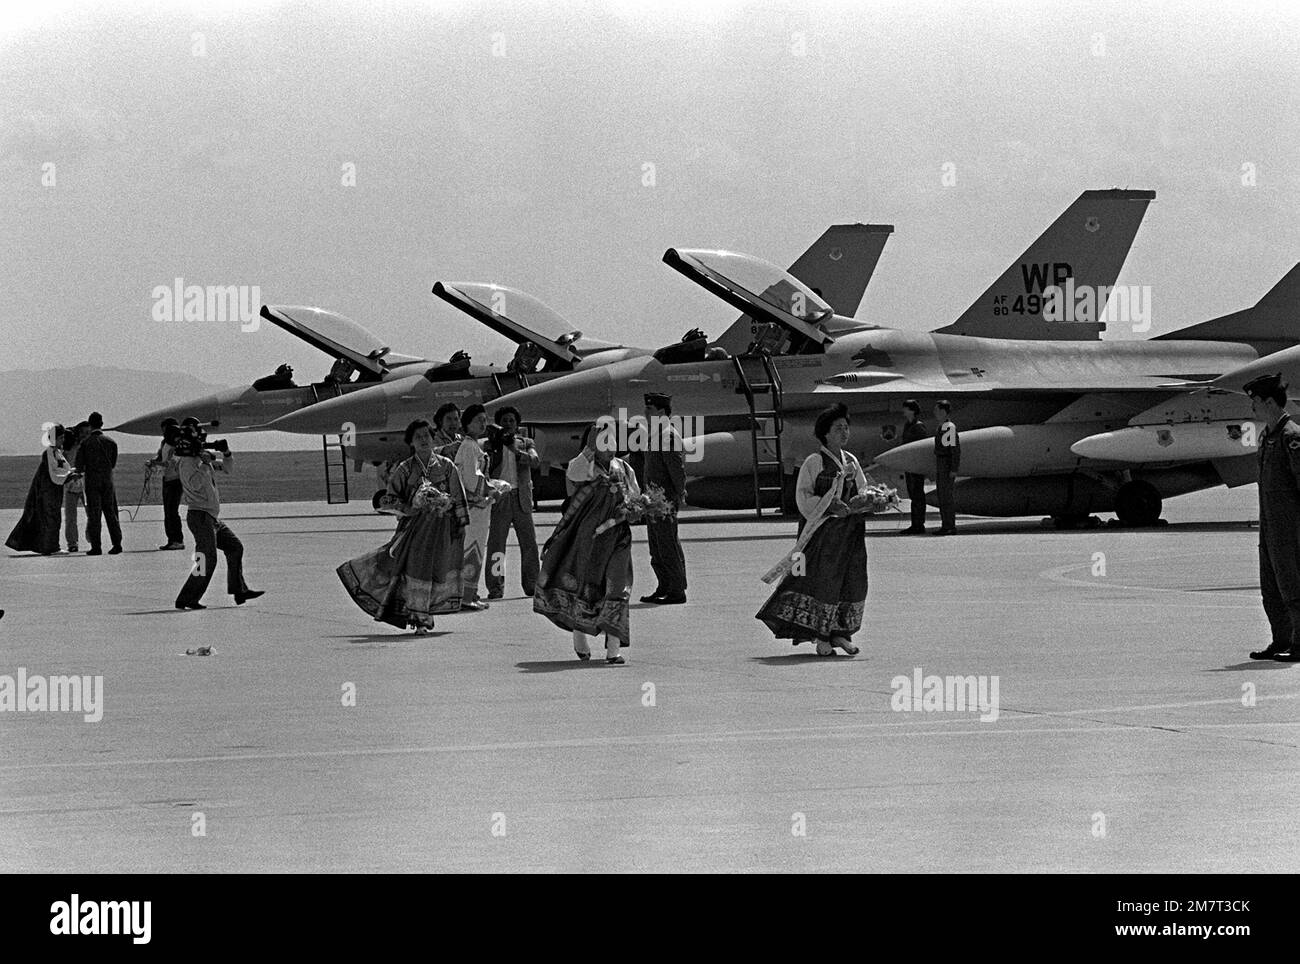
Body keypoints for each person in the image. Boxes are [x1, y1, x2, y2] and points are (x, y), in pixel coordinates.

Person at [756, 403, 870, 656]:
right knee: (821, 580)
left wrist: (867, 500)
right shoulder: (814, 462)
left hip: (850, 533)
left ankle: (841, 633)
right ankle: (821, 636)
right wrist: (829, 505)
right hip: (822, 534)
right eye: (838, 428)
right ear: (825, 433)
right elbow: (803, 496)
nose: (844, 432)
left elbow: (862, 488)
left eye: (846, 427)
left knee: (853, 580)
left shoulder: (850, 460)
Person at [337, 418, 469, 633]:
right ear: (411, 443)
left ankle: (426, 612)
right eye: (418, 437)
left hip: (442, 530)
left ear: (433, 438)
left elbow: (458, 496)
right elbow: (389, 499)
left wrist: (460, 523)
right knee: (417, 570)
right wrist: (411, 507)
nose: (424, 440)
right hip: (415, 531)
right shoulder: (405, 469)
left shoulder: (447, 466)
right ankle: (420, 618)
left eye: (427, 435)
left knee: (438, 570)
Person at [534, 419, 641, 664]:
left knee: (618, 589)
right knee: (587, 588)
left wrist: (637, 510)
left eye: (612, 438)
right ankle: (579, 635)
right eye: (603, 440)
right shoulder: (585, 467)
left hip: (618, 539)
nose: (609, 444)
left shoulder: (624, 468)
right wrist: (588, 450)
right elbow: (573, 472)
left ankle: (613, 650)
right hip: (588, 540)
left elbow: (635, 496)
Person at [173, 426, 263, 610]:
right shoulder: (186, 463)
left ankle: (239, 590)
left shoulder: (200, 460)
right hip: (199, 516)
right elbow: (196, 484)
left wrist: (226, 453)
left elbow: (228, 468)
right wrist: (204, 463)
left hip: (211, 518)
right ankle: (187, 598)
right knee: (205, 559)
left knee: (235, 547)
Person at [1244, 373, 1300, 661]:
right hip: (1269, 526)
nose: (1252, 407)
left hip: (1290, 528)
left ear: (1268, 401)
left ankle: (1299, 642)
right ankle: (1281, 640)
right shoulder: (1268, 436)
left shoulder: (1291, 437)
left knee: (1293, 585)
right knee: (1272, 586)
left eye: (1255, 401)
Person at [485, 406, 540, 600]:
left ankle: (532, 583)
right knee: (497, 545)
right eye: (504, 420)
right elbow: (487, 466)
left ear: (517, 424)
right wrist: (497, 445)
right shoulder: (490, 445)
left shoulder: (525, 442)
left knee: (529, 543)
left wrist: (515, 450)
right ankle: (495, 586)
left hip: (521, 496)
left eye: (511, 421)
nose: (507, 424)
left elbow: (534, 461)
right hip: (501, 497)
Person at [445, 404, 496, 611]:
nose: (483, 424)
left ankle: (471, 593)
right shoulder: (468, 447)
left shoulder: (474, 446)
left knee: (476, 547)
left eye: (485, 420)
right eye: (478, 420)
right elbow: (471, 479)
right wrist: (491, 490)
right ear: (467, 424)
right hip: (474, 508)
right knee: (472, 548)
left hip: (480, 507)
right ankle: (465, 596)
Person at [640, 392, 688, 604]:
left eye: (649, 410)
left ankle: (676, 590)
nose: (645, 413)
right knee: (657, 545)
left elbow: (676, 469)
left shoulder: (667, 435)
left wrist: (679, 493)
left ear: (661, 412)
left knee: (667, 544)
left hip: (664, 499)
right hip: (654, 499)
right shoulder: (657, 433)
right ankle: (664, 585)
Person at [6, 424, 77, 555]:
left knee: (54, 517)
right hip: (47, 492)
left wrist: (71, 473)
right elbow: (53, 473)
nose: (63, 441)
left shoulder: (57, 453)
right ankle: (51, 547)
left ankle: (50, 545)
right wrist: (69, 476)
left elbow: (62, 470)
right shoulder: (49, 453)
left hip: (55, 491)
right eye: (61, 438)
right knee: (50, 518)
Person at [75, 411, 122, 555]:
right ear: (102, 424)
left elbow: (79, 466)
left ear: (90, 425)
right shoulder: (111, 442)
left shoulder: (85, 443)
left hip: (92, 482)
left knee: (94, 515)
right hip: (108, 481)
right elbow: (113, 463)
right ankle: (117, 544)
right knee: (111, 513)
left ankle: (96, 546)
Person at [147, 418, 185, 550]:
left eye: (165, 430)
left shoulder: (178, 445)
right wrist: (153, 461)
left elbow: (170, 462)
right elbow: (160, 458)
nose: (163, 433)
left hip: (176, 480)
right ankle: (171, 539)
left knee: (172, 511)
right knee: (167, 511)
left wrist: (155, 464)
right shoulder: (165, 443)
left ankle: (178, 540)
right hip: (166, 479)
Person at [899, 400, 928, 534]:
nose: (903, 411)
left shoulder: (919, 426)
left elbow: (922, 447)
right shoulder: (908, 425)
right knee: (913, 495)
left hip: (916, 466)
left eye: (905, 408)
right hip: (909, 465)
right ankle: (915, 524)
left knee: (917, 495)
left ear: (911, 410)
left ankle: (919, 525)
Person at [932, 400, 960, 536]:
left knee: (946, 497)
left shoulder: (948, 427)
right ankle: (946, 525)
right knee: (942, 497)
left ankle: (949, 526)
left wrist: (953, 469)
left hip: (946, 465)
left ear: (943, 412)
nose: (935, 413)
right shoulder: (942, 427)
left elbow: (954, 450)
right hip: (942, 464)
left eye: (937, 410)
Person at [61, 421, 88, 553]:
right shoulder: (69, 447)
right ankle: (72, 543)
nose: (85, 435)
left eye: (87, 433)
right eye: (82, 432)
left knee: (91, 513)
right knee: (71, 517)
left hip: (86, 484)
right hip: (71, 483)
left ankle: (92, 538)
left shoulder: (89, 446)